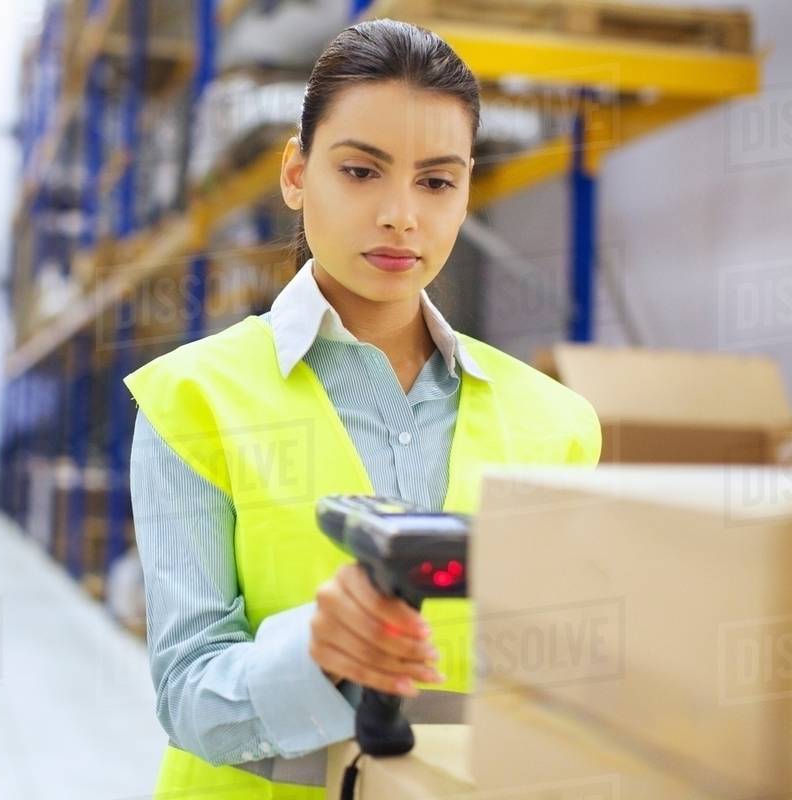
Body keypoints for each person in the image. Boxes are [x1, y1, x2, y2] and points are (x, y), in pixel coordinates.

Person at [123, 18, 601, 799]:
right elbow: (187, 693)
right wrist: (312, 653)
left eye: (437, 182)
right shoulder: (192, 400)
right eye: (361, 171)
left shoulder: (560, 426)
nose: (401, 215)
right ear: (295, 175)